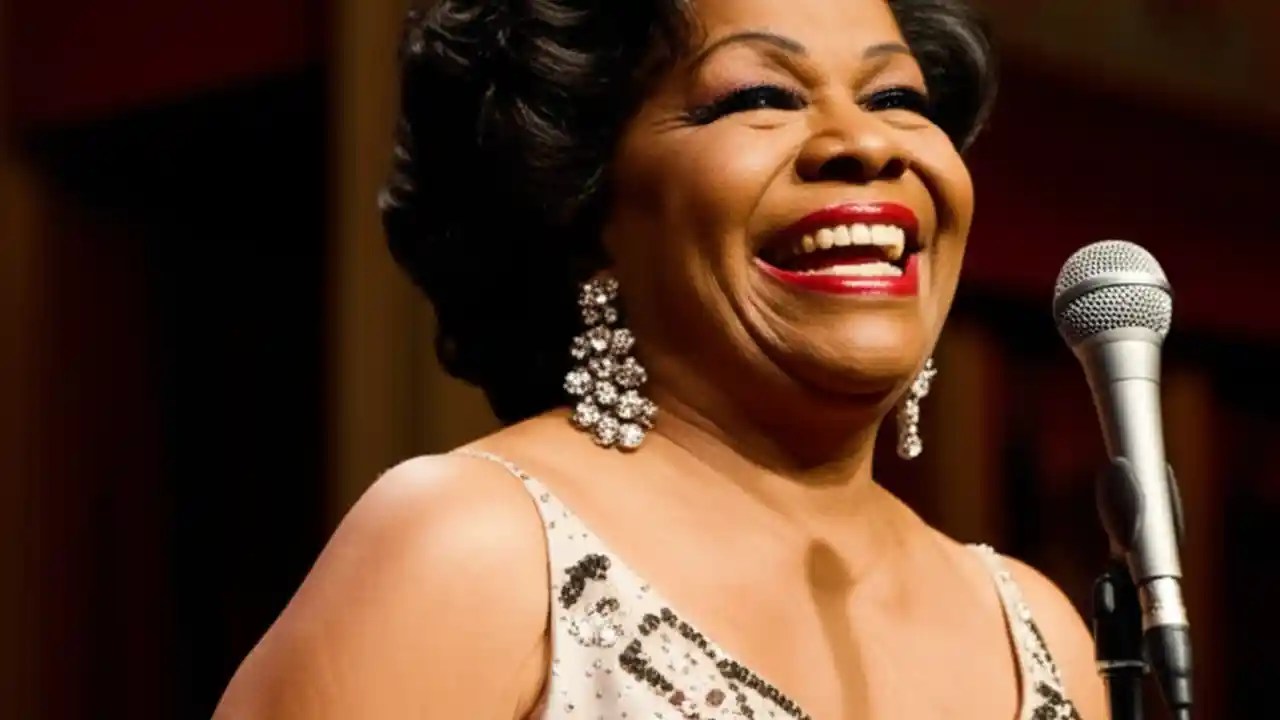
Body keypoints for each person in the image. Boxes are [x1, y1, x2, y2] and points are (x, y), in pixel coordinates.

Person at [216, 0, 1108, 717]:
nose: (867, 144)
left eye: (897, 101)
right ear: (579, 199)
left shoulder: (1035, 628)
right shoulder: (473, 549)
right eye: (760, 96)